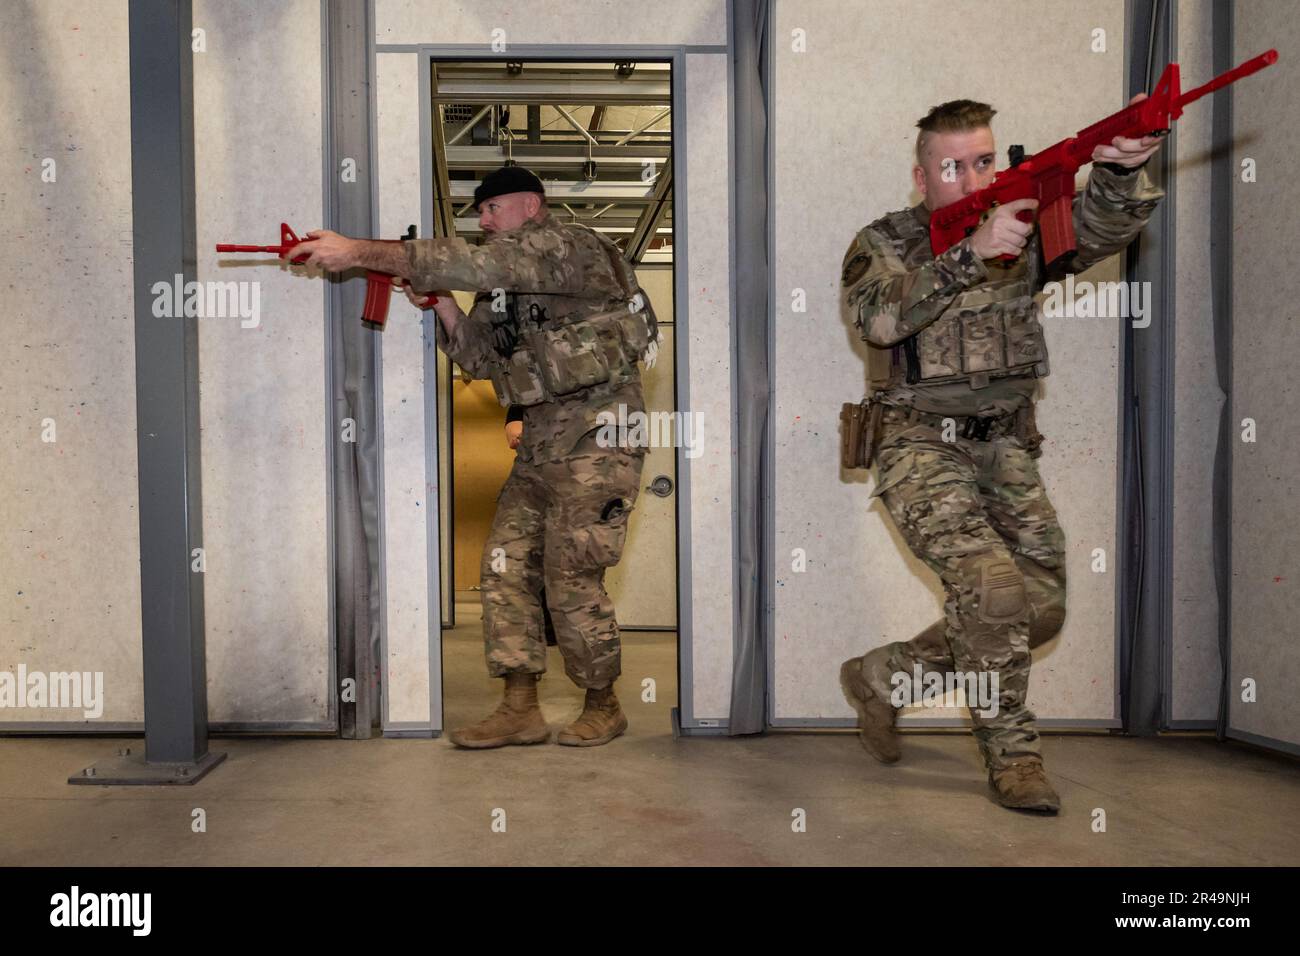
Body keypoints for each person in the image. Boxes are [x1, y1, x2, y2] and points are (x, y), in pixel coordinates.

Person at [838, 98, 1164, 811]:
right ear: (922, 177)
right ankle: (1013, 756)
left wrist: (1118, 173)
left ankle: (885, 677)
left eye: (982, 161)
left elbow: (1101, 233)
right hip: (918, 440)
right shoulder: (884, 240)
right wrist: (968, 255)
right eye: (951, 167)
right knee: (992, 589)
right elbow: (879, 318)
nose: (970, 178)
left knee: (1039, 609)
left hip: (1006, 444)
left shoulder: (1025, 226)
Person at [292, 165, 658, 748]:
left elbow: (478, 263)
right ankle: (520, 707)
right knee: (504, 567)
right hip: (539, 444)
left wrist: (357, 251)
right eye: (479, 212)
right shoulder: (504, 285)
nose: (483, 220)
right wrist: (443, 307)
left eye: (492, 208)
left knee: (571, 573)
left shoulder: (569, 246)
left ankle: (603, 704)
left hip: (599, 440)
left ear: (531, 206)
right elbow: (482, 360)